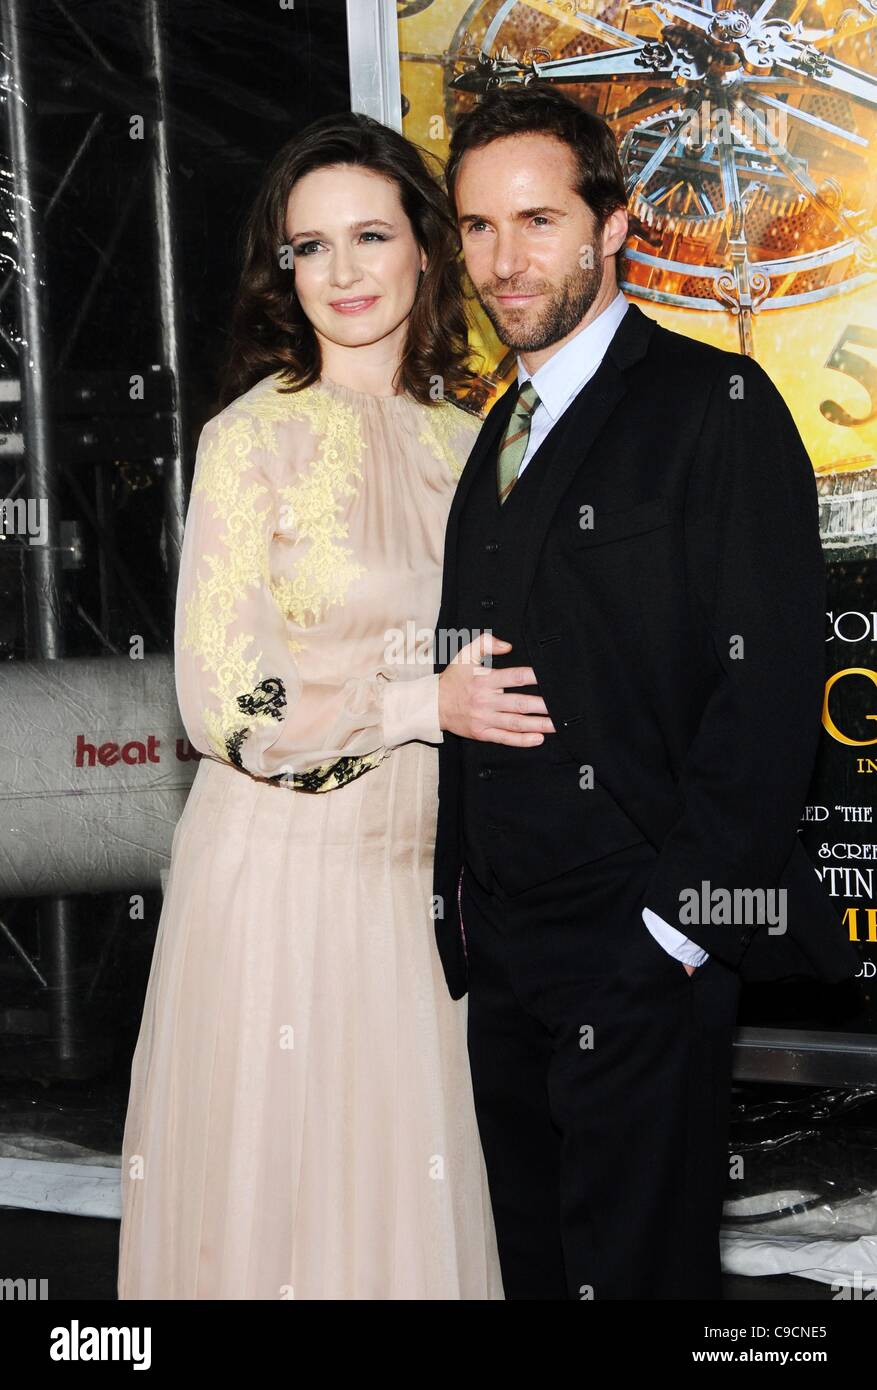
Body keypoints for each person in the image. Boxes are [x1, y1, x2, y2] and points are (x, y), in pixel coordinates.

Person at [431, 83, 862, 1301]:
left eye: (538, 221)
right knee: (535, 1268)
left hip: (637, 943)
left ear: (613, 224)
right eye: (475, 227)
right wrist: (461, 907)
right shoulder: (497, 429)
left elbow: (770, 698)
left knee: (638, 1280)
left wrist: (673, 930)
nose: (504, 262)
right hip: (506, 948)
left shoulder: (711, 409)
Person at [117, 110, 536, 1299]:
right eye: (309, 247)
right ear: (281, 269)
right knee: (284, 1208)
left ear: (424, 250)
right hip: (281, 881)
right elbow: (221, 699)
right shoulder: (252, 443)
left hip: (431, 884)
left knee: (410, 1201)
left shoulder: (481, 443)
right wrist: (420, 698)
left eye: (368, 236)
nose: (341, 273)